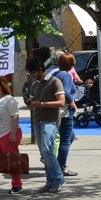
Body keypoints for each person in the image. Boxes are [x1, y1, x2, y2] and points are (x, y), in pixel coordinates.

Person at [26, 58, 66, 193]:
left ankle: (59, 177)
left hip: (51, 120)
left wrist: (41, 104)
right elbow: (32, 101)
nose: (31, 75)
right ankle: (50, 181)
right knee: (44, 153)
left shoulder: (55, 82)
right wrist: (31, 102)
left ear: (40, 70)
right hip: (38, 120)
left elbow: (61, 102)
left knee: (47, 149)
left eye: (33, 72)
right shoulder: (35, 84)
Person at [55, 51, 79, 177]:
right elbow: (66, 92)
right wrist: (72, 103)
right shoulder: (66, 76)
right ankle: (61, 167)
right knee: (66, 139)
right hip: (65, 111)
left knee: (69, 137)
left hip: (57, 111)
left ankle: (58, 163)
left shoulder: (56, 73)